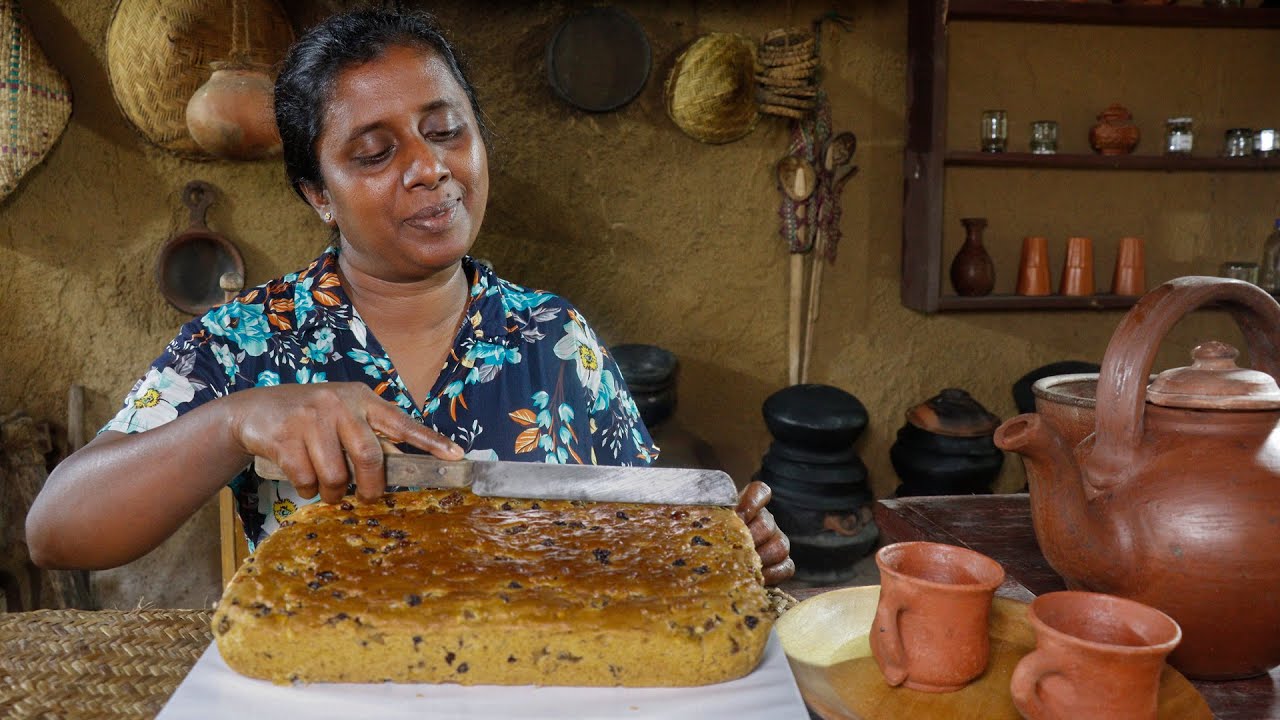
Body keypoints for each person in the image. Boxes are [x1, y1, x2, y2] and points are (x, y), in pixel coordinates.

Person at [27, 8, 793, 585]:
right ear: (319, 194)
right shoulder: (252, 343)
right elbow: (57, 531)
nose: (428, 168)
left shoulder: (553, 338)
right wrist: (235, 422)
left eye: (446, 130)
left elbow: (630, 530)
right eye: (374, 152)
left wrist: (715, 544)